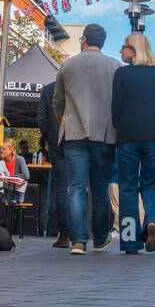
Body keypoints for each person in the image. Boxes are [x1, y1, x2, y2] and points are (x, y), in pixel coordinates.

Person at [53, 24, 119, 256]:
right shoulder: (115, 66)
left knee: (76, 189)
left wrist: (67, 121)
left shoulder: (67, 65)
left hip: (74, 135)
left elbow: (58, 103)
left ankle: (78, 242)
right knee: (100, 189)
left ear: (83, 40)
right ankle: (100, 239)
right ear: (102, 42)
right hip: (105, 135)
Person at [110, 32, 155, 255]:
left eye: (124, 47)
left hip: (128, 137)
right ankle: (151, 221)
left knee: (128, 188)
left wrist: (122, 125)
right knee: (151, 184)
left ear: (134, 50)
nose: (121, 51)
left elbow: (115, 108)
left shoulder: (121, 74)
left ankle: (130, 242)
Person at [37, 80, 71, 249]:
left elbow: (42, 118)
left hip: (56, 142)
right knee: (80, 187)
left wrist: (49, 137)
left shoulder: (48, 89)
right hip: (78, 140)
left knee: (61, 189)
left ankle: (64, 233)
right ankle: (83, 233)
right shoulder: (78, 85)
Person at [0, 137, 29, 205]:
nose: (2, 150)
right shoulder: (0, 160)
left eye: (4, 149)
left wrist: (8, 177)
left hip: (15, 191)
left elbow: (26, 175)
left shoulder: (20, 159)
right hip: (3, 190)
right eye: (1, 148)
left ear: (11, 150)